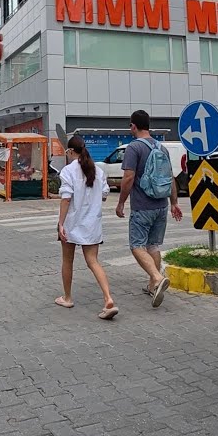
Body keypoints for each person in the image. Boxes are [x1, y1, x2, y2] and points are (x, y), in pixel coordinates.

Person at [115, 110, 183, 308]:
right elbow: (170, 178)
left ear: (134, 126)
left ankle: (157, 276)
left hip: (142, 206)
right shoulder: (162, 147)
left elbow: (128, 178)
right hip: (161, 205)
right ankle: (153, 285)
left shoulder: (134, 148)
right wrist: (174, 203)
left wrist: (120, 203)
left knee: (136, 245)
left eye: (130, 125)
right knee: (153, 245)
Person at [54, 135, 118, 320]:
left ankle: (67, 297)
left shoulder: (68, 171)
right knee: (93, 261)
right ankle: (108, 298)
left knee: (68, 261)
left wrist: (60, 223)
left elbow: (66, 199)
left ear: (71, 151)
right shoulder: (98, 171)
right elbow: (105, 194)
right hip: (92, 224)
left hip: (72, 223)